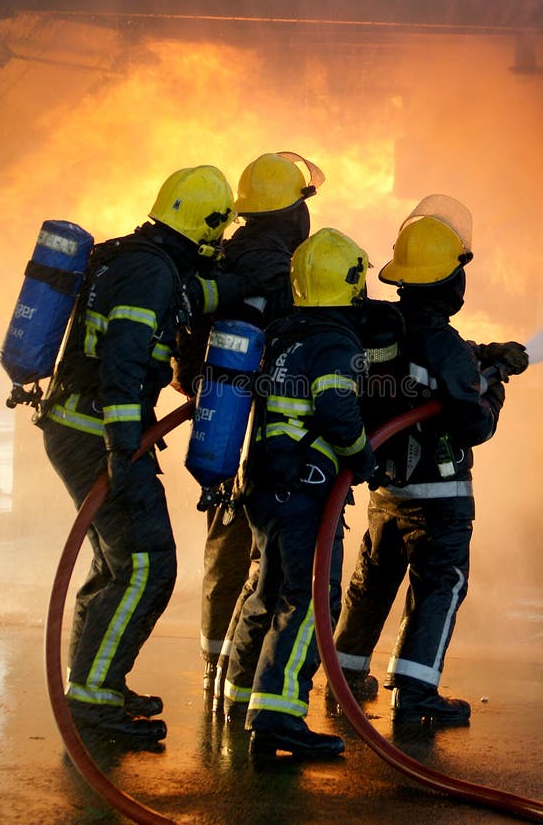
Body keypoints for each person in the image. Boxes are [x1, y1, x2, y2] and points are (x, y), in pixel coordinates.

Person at [40, 165, 249, 745]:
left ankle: (94, 685)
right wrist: (122, 447)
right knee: (146, 564)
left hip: (79, 424)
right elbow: (125, 361)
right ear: (203, 223)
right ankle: (93, 704)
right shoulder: (150, 273)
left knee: (116, 563)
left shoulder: (137, 259)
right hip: (97, 431)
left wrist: (249, 283)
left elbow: (195, 295)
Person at [331, 195, 529, 726]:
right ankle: (416, 694)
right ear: (450, 281)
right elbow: (474, 423)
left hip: (385, 486)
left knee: (372, 580)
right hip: (440, 494)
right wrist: (494, 390)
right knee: (440, 583)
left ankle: (344, 678)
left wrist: (485, 354)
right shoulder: (440, 341)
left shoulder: (384, 324)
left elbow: (427, 359)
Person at [172, 152, 324, 703]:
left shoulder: (220, 257)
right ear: (290, 212)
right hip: (272, 428)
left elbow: (189, 334)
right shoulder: (290, 267)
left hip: (223, 419)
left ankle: (215, 665)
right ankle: (249, 673)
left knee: (225, 533)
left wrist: (197, 384)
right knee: (274, 547)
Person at [223, 227, 377, 758]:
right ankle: (278, 714)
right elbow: (337, 410)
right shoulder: (334, 342)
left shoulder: (283, 333)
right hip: (305, 491)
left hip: (265, 487)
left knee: (267, 591)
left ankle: (240, 696)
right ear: (349, 284)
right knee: (309, 598)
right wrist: (362, 454)